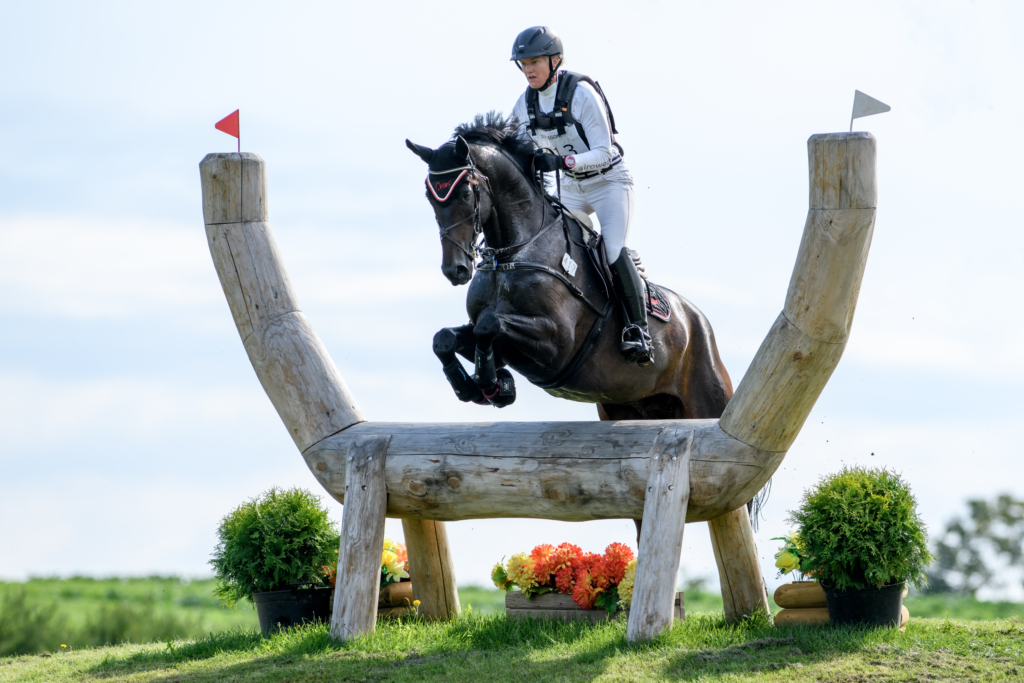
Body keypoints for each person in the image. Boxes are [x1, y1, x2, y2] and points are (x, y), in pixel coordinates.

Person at [509, 26, 653, 366]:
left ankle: (637, 328)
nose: (528, 69)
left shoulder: (582, 94)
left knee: (612, 250)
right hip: (571, 189)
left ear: (555, 60)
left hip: (609, 183)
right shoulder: (524, 104)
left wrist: (561, 161)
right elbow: (515, 150)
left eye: (534, 62)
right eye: (523, 63)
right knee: (554, 247)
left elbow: (605, 151)